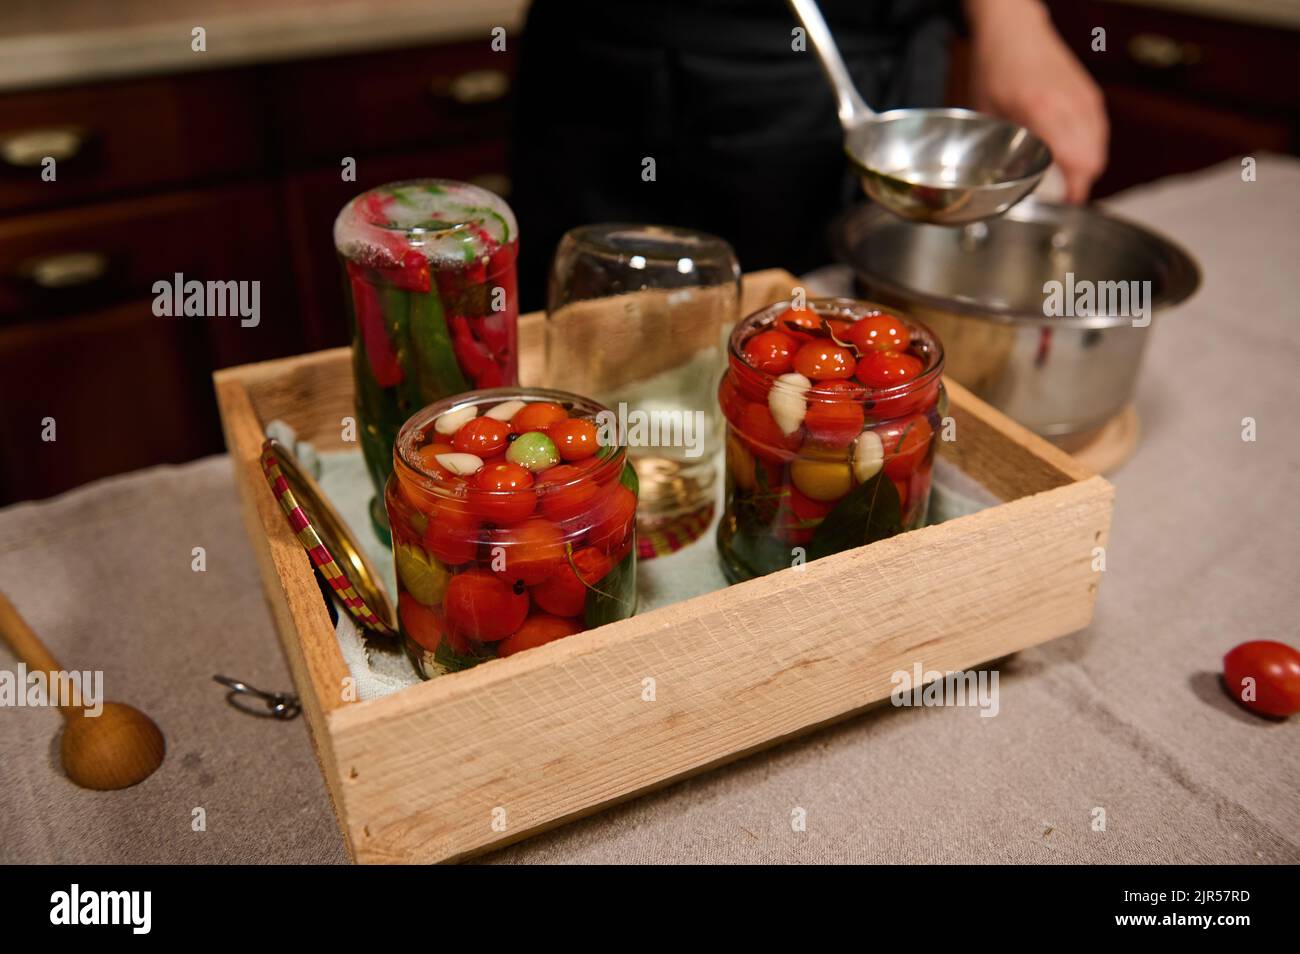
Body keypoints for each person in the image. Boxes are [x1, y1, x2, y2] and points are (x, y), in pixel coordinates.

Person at [510, 0, 1107, 308]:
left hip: (895, 45)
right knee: (618, 334)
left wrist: (1012, 17)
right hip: (660, 62)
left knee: (831, 331)